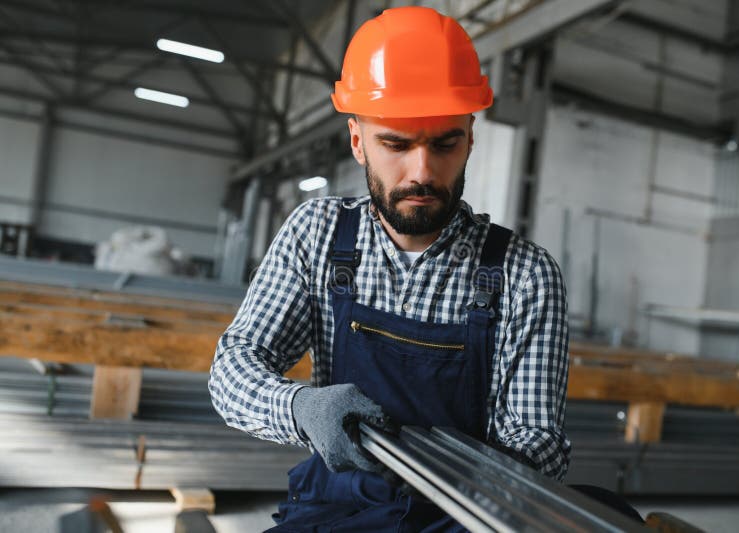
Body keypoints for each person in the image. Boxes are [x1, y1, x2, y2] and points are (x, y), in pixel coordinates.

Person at [209, 6, 572, 531]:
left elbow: (538, 438)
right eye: (396, 144)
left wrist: (475, 480)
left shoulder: (525, 275)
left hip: (461, 516)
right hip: (339, 506)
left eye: (444, 143)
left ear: (470, 137)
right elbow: (234, 367)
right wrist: (300, 408)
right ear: (358, 141)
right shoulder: (317, 234)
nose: (422, 171)